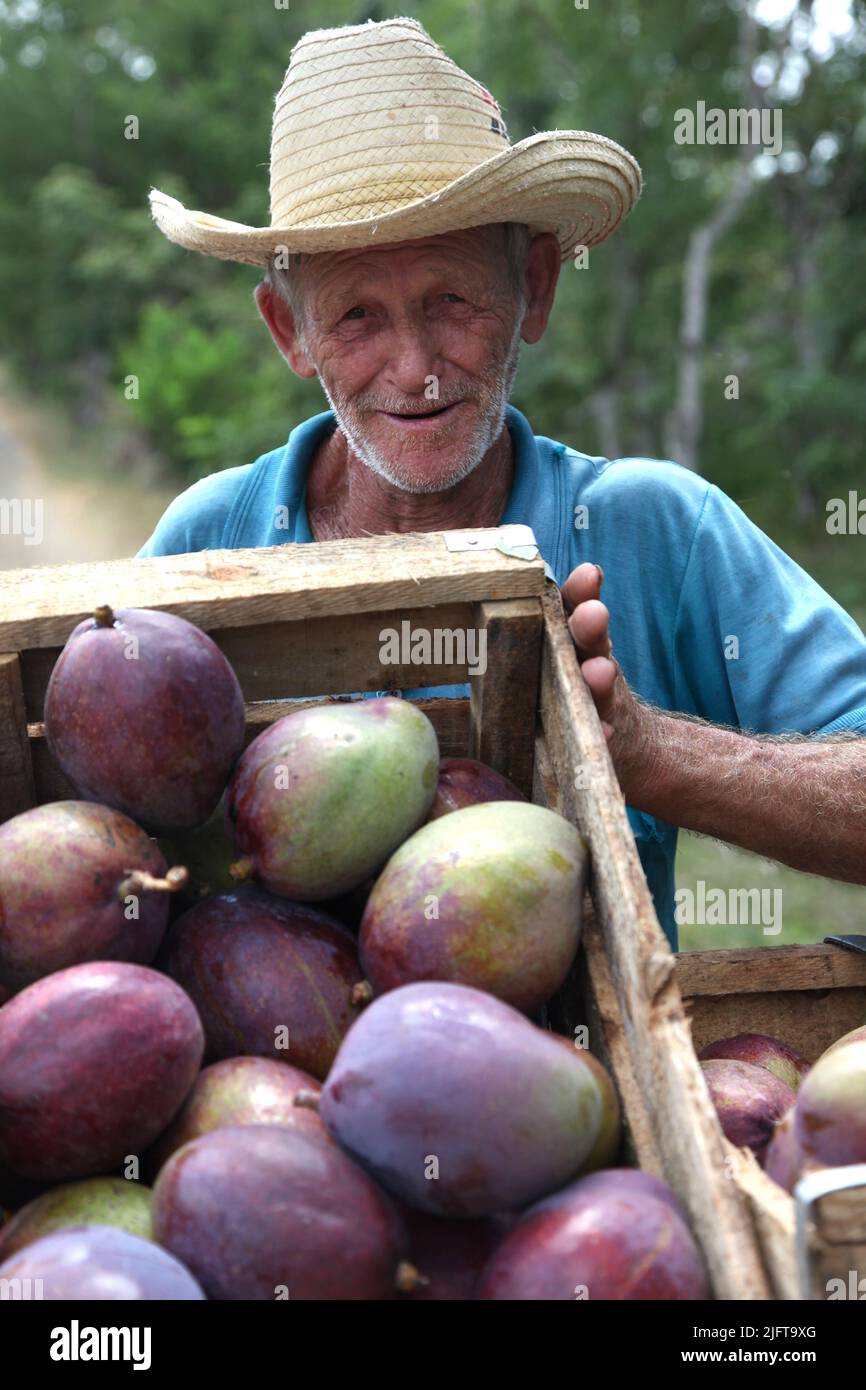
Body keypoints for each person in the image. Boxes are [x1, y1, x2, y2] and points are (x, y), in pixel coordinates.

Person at [140, 17, 866, 948]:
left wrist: (646, 755)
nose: (416, 369)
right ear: (290, 330)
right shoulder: (209, 546)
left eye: (451, 300)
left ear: (536, 285)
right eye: (357, 315)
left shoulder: (655, 531)